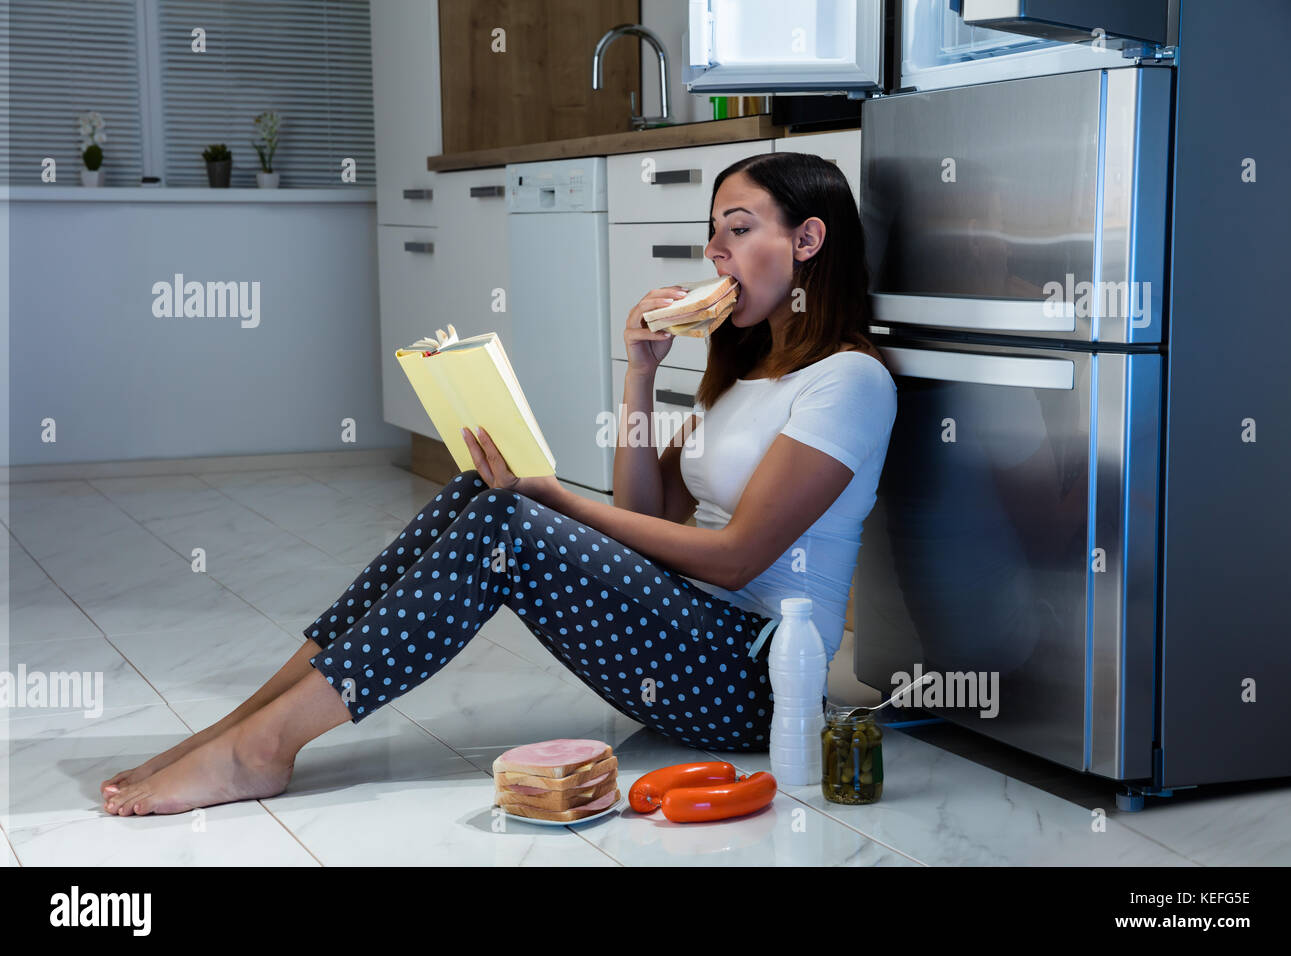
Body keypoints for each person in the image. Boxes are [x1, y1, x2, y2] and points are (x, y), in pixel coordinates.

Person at [99, 151, 898, 816]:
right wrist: (640, 377)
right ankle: (245, 725)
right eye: (711, 236)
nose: (715, 254)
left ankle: (261, 750)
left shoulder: (849, 381)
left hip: (754, 683)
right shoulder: (745, 371)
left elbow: (731, 558)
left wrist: (553, 494)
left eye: (739, 229)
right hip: (689, 639)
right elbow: (641, 513)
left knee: (511, 519)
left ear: (808, 239)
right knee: (477, 495)